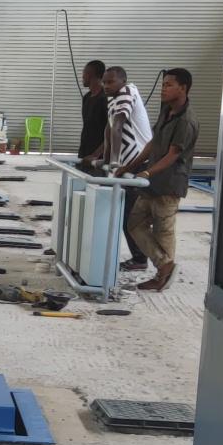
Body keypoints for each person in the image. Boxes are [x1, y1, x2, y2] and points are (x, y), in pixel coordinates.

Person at [118, 68, 199, 291]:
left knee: (163, 231)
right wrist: (130, 166)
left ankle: (162, 276)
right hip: (151, 182)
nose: (163, 89)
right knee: (134, 223)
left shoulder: (186, 121)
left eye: (169, 85)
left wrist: (147, 172)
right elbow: (153, 143)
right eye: (163, 85)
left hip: (169, 185)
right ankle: (165, 265)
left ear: (183, 88)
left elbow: (173, 155)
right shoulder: (167, 110)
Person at [87, 66, 153, 269]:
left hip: (138, 162)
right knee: (119, 213)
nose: (106, 86)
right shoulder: (113, 98)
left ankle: (140, 259)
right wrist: (105, 160)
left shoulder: (126, 93)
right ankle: (135, 257)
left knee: (130, 216)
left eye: (110, 82)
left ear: (122, 81)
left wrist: (114, 163)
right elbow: (109, 129)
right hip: (126, 164)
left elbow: (117, 127)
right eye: (104, 82)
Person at [76, 59, 108, 160]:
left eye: (84, 73)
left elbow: (113, 132)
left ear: (91, 74)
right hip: (85, 152)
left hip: (100, 157)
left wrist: (96, 154)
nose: (82, 76)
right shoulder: (87, 97)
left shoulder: (105, 98)